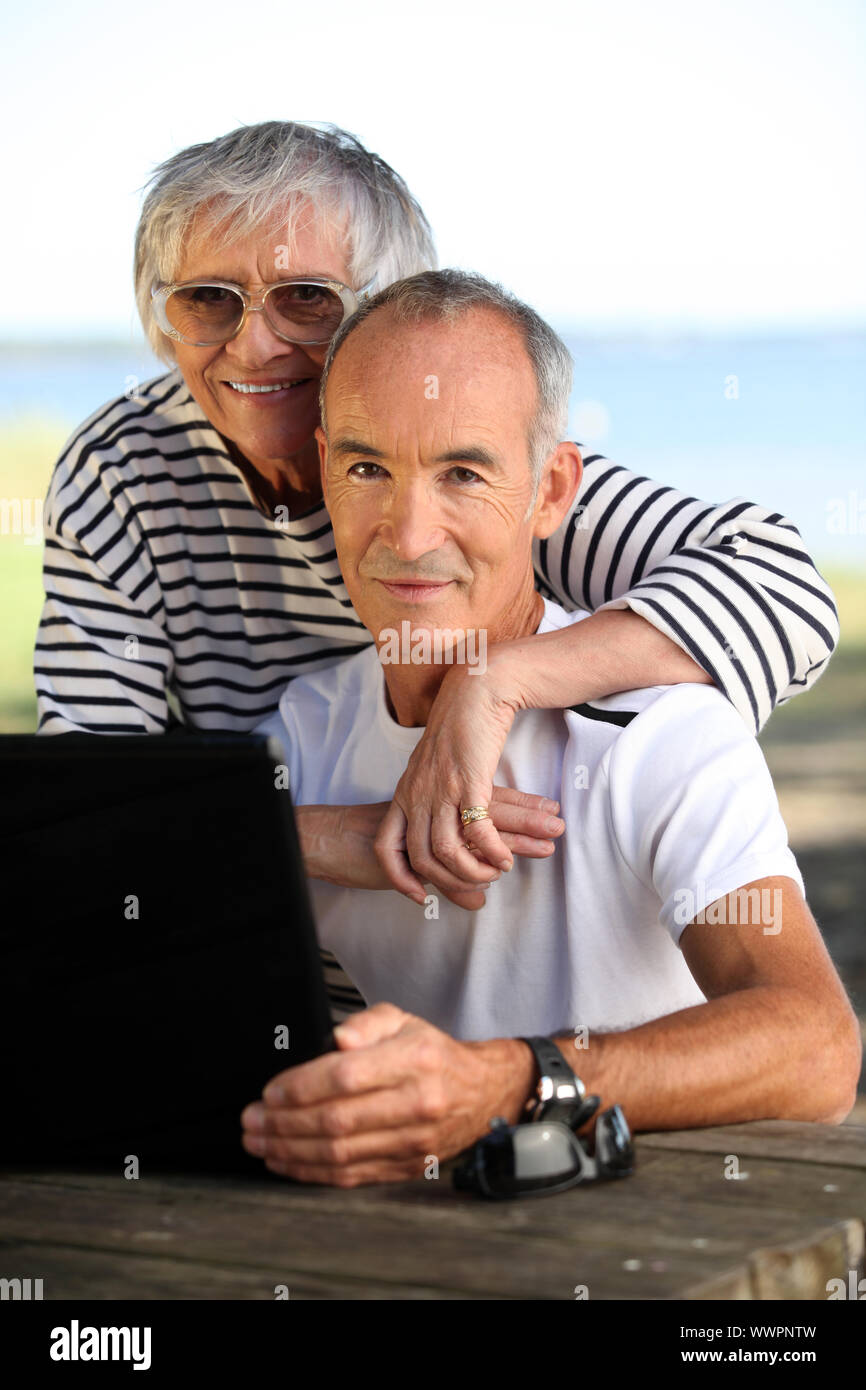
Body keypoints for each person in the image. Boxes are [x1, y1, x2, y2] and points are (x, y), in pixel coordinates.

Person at [34, 120, 839, 1014]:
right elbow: (83, 813)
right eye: (208, 300)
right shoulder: (123, 474)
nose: (253, 346)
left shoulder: (488, 474)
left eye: (305, 298)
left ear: (389, 307)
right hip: (287, 992)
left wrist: (492, 683)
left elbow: (783, 591)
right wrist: (311, 836)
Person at [243, 270, 860, 1188]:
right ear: (325, 465)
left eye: (463, 473)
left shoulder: (659, 731)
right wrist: (314, 840)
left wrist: (511, 1081)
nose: (409, 535)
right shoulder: (304, 728)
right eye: (368, 467)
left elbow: (817, 1049)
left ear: (552, 490)